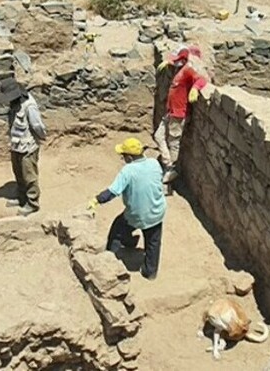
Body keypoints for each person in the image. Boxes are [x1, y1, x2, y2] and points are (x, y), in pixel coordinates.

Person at [88, 138, 166, 280]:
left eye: (123, 155)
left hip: (137, 214)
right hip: (157, 212)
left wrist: (96, 200)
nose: (123, 158)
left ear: (129, 157)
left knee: (117, 229)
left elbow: (113, 192)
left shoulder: (128, 171)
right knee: (153, 242)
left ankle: (110, 259)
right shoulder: (154, 163)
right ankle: (150, 272)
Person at [154, 45, 207, 191]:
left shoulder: (188, 70)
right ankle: (169, 164)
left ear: (183, 60)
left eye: (177, 60)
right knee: (158, 136)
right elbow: (176, 60)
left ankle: (171, 170)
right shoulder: (179, 69)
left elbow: (201, 80)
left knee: (173, 141)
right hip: (170, 112)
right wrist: (168, 62)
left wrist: (195, 89)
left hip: (178, 114)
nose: (174, 62)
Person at [0, 77, 46, 216]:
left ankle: (32, 203)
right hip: (16, 145)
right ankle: (22, 197)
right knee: (19, 174)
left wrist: (40, 138)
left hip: (28, 147)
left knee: (29, 176)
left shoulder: (29, 105)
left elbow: (37, 125)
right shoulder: (13, 104)